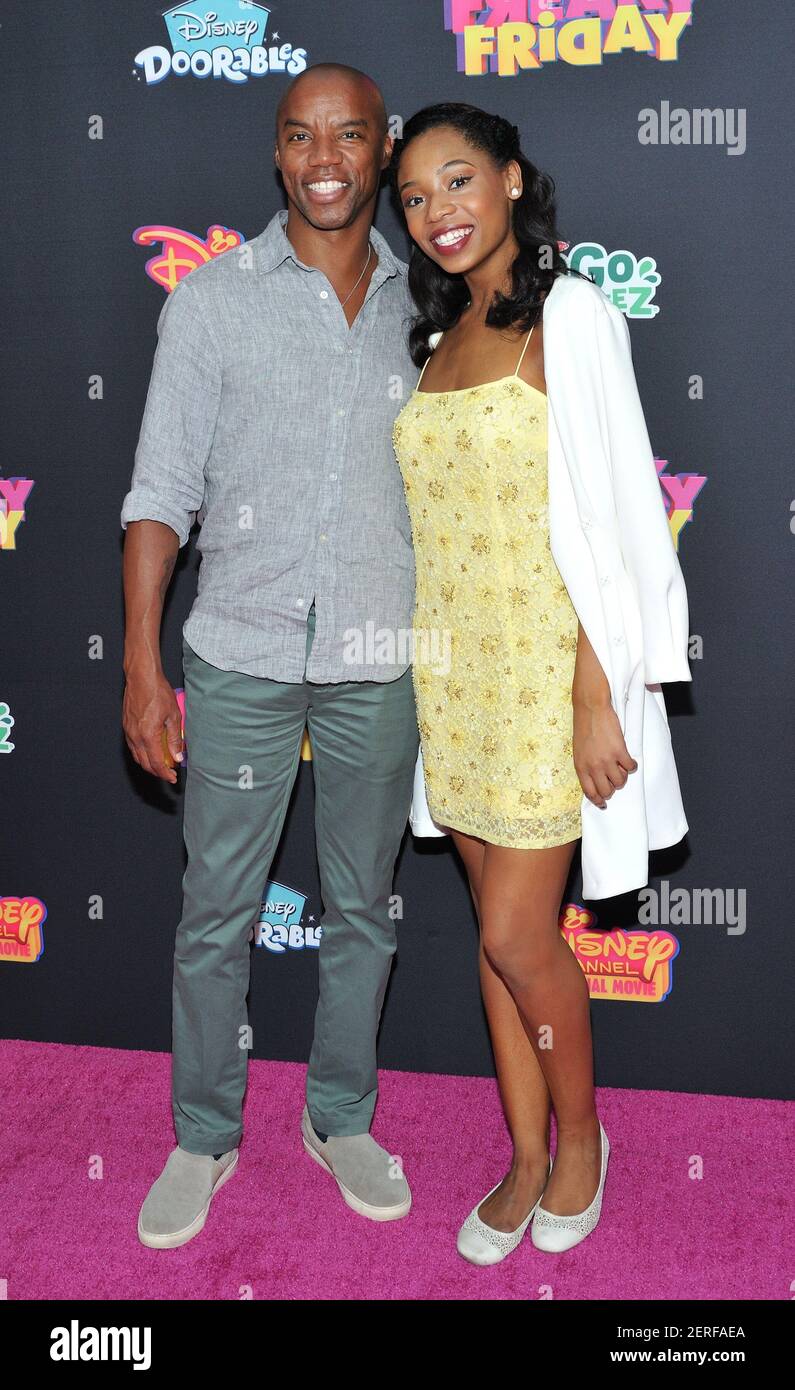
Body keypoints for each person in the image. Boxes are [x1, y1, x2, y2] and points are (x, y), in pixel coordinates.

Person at [120, 63, 420, 1247]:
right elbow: (158, 494)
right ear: (277, 152)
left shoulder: (429, 304)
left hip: (380, 659)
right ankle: (204, 1132)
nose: (326, 158)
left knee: (365, 908)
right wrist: (144, 666)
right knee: (214, 913)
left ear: (383, 148)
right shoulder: (213, 301)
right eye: (302, 136)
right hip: (238, 652)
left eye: (350, 135)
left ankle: (340, 1115)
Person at [389, 103, 691, 1263]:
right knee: (494, 934)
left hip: (546, 677)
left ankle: (582, 1140)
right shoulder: (438, 339)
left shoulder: (574, 316)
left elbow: (619, 517)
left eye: (458, 182)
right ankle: (521, 1152)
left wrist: (596, 687)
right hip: (453, 679)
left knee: (524, 935)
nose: (438, 214)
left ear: (514, 180)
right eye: (414, 199)